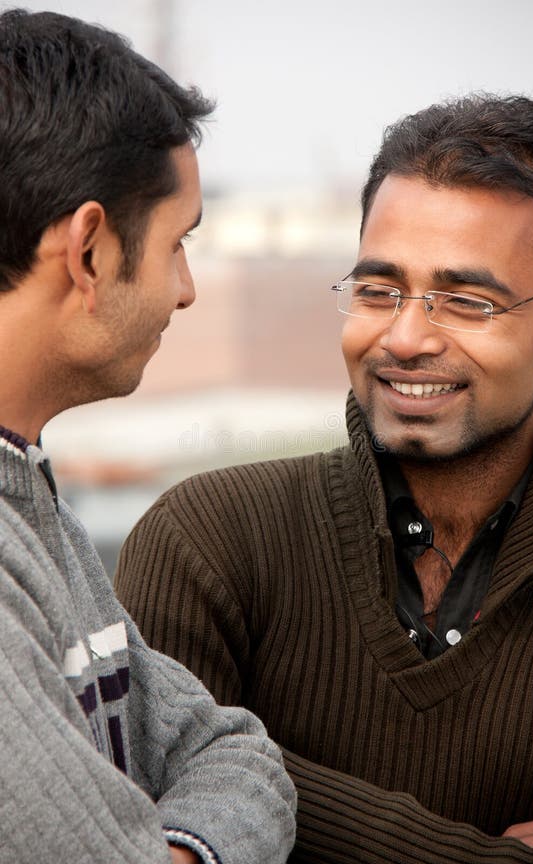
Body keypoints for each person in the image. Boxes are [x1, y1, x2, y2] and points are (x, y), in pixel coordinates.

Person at [116, 92, 533, 863]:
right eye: (377, 290)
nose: (404, 336)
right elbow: (143, 810)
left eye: (465, 302)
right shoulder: (209, 541)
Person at [0, 9, 296, 864]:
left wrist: (178, 850)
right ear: (89, 251)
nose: (188, 290)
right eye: (178, 244)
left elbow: (233, 751)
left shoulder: (30, 496)